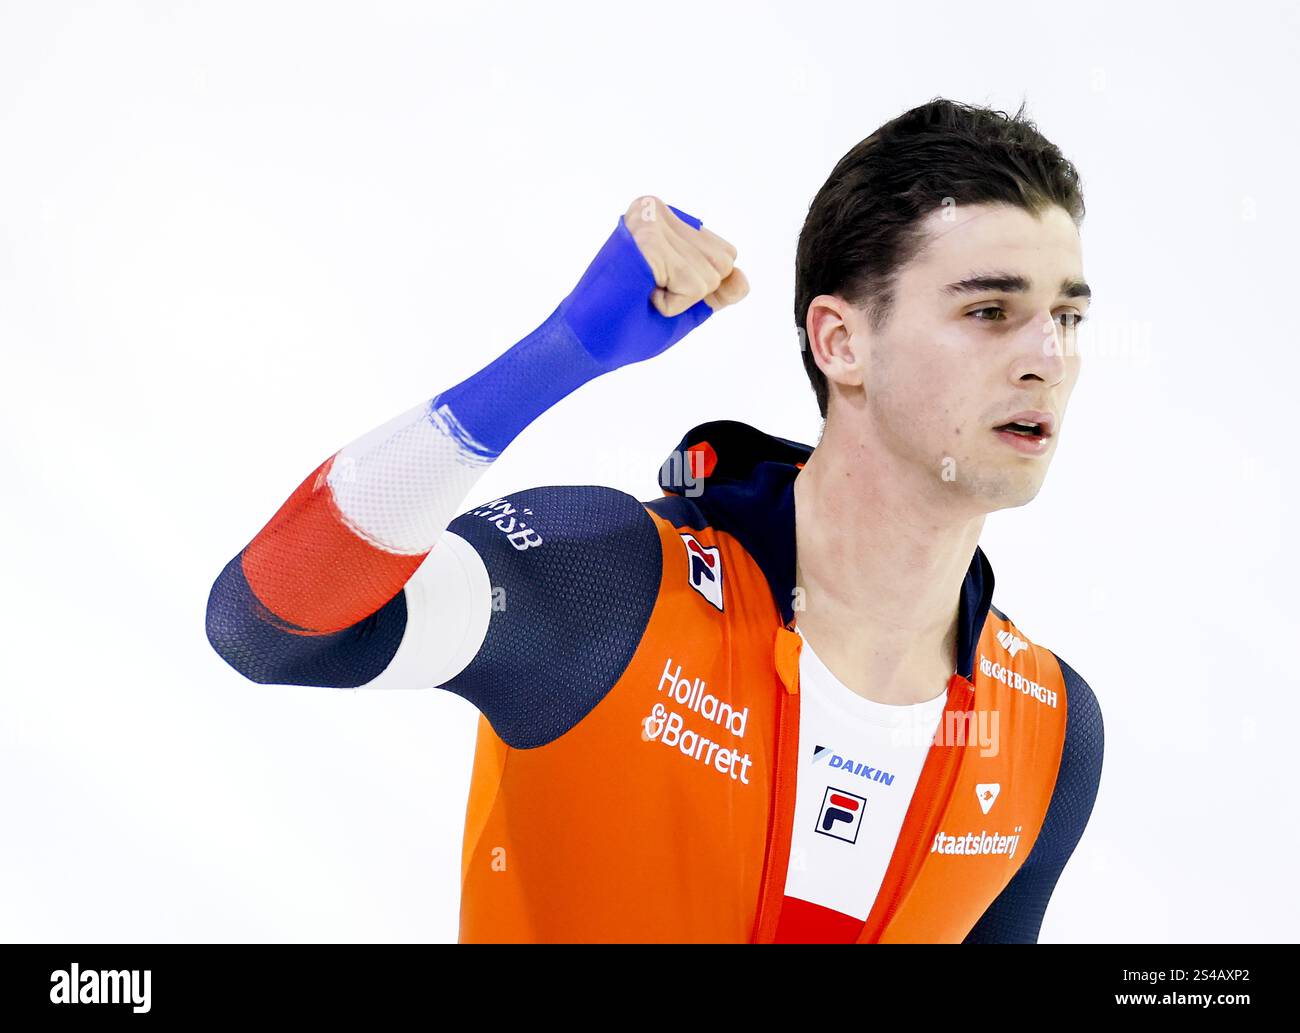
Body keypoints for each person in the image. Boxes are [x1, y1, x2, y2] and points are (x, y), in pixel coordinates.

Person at [206, 96, 1104, 944]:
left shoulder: (1050, 729)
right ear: (840, 341)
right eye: (991, 311)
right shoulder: (608, 587)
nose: (1046, 358)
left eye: (1066, 316)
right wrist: (557, 356)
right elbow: (269, 629)